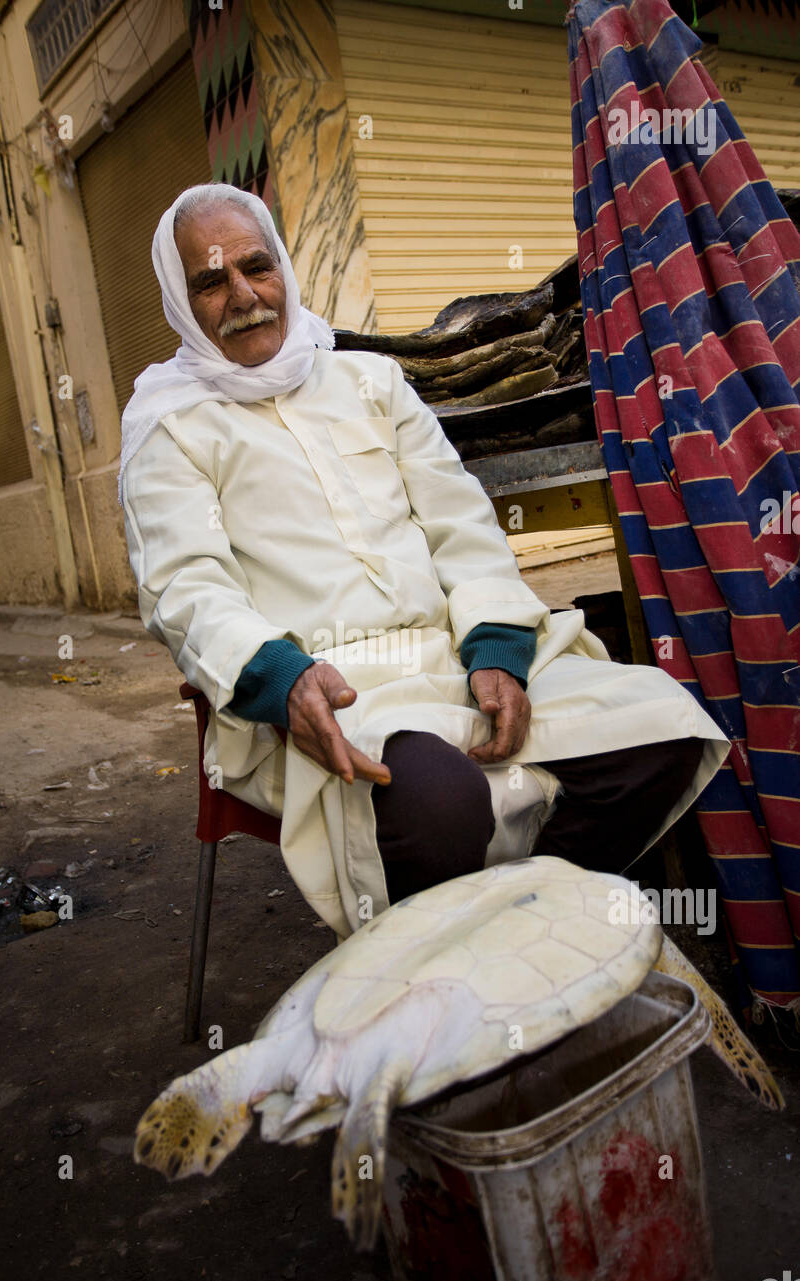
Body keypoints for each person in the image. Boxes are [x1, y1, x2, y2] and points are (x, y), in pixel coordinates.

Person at [119, 181, 729, 938]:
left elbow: (461, 522)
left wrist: (497, 649)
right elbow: (184, 586)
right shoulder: (168, 425)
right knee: (441, 807)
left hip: (450, 649)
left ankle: (521, 934)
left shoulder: (370, 381)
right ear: (180, 300)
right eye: (211, 282)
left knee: (658, 728)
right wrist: (276, 676)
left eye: (257, 266)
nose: (245, 295)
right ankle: (491, 970)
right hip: (330, 690)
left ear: (283, 265)